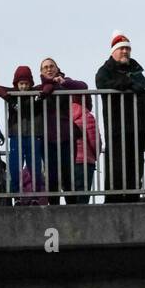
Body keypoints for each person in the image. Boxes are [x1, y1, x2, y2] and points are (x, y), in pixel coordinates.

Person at [95, 35, 145, 203]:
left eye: (127, 48)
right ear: (113, 51)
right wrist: (127, 83)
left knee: (136, 167)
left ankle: (133, 199)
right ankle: (113, 201)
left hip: (138, 127)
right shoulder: (105, 70)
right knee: (116, 166)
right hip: (117, 128)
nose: (125, 51)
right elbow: (102, 83)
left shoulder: (137, 70)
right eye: (122, 48)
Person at [38, 58, 89, 203]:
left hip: (67, 136)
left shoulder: (65, 83)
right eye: (45, 67)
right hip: (47, 138)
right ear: (41, 72)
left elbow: (83, 86)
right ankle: (54, 208)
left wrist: (63, 82)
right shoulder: (38, 89)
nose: (49, 69)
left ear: (57, 68)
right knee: (52, 176)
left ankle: (71, 208)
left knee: (68, 176)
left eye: (51, 66)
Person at [0, 67, 45, 200]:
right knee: (15, 166)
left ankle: (36, 195)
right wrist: (10, 100)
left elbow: (49, 87)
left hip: (34, 135)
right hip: (16, 135)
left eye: (26, 83)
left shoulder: (35, 93)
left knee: (34, 165)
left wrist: (42, 95)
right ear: (16, 84)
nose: (23, 86)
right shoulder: (13, 94)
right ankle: (17, 195)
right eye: (21, 83)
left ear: (30, 84)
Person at [71, 92, 98, 202]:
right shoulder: (87, 116)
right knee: (83, 193)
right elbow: (94, 140)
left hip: (68, 160)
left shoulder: (63, 115)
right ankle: (81, 217)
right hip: (85, 160)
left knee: (71, 192)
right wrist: (96, 154)